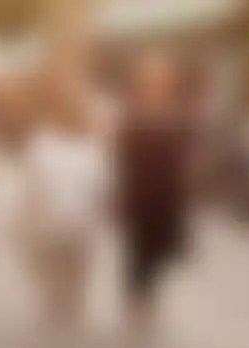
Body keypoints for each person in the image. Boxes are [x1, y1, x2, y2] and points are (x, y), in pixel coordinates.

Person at [18, 51, 110, 331]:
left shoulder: (89, 146)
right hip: (57, 220)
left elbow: (102, 183)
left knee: (74, 268)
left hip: (79, 221)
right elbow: (35, 183)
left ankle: (67, 303)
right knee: (58, 267)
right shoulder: (46, 144)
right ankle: (59, 302)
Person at [115, 51, 191, 331]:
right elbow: (121, 156)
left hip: (166, 195)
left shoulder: (176, 114)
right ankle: (138, 298)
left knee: (158, 249)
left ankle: (148, 294)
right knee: (137, 248)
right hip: (139, 193)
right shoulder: (132, 113)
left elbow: (183, 157)